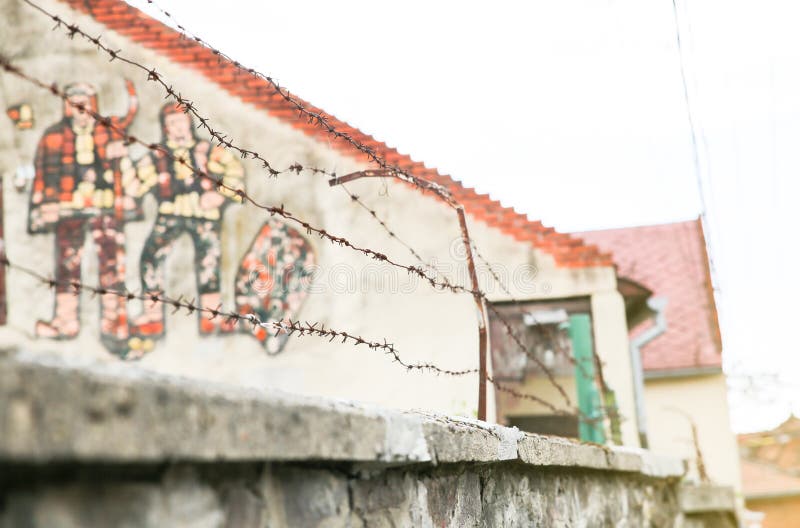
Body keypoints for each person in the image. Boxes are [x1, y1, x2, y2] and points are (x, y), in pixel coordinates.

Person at [28, 81, 139, 351]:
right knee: (67, 266)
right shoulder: (53, 136)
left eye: (84, 102)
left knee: (112, 267)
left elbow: (125, 170)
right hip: (69, 210)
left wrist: (123, 173)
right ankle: (66, 322)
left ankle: (114, 324)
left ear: (93, 104)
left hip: (105, 208)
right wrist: (40, 206)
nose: (79, 108)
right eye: (73, 102)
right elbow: (42, 175)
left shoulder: (109, 132)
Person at [131, 102, 244, 343]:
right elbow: (135, 183)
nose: (177, 128)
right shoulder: (157, 155)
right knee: (150, 259)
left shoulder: (208, 151)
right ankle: (152, 317)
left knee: (209, 262)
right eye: (171, 124)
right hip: (170, 212)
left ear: (189, 124)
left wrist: (220, 195)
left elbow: (236, 173)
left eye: (181, 122)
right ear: (165, 128)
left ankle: (211, 318)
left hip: (204, 215)